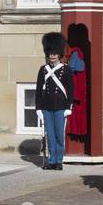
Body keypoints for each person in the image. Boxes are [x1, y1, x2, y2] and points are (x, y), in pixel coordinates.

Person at [35, 32, 74, 171]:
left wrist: (69, 106)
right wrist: (38, 108)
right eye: (50, 53)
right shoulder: (43, 70)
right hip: (46, 106)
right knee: (50, 135)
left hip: (60, 107)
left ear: (59, 54)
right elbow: (39, 89)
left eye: (55, 53)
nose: (52, 55)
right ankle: (51, 160)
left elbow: (70, 89)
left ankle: (59, 160)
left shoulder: (65, 69)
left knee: (59, 134)